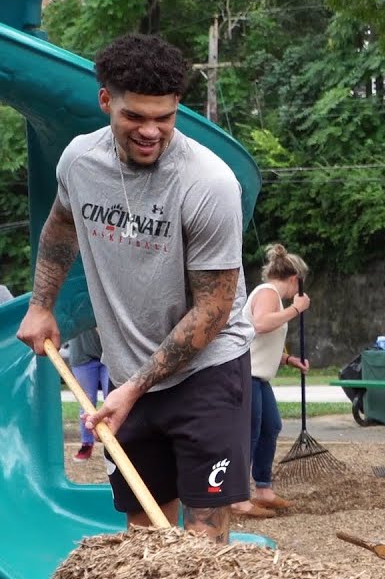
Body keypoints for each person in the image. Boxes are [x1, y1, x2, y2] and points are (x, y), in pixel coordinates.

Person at [16, 33, 253, 543]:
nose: (150, 131)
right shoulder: (80, 162)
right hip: (128, 373)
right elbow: (61, 225)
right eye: (134, 117)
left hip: (206, 370)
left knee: (203, 537)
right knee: (143, 536)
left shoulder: (208, 183)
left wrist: (133, 388)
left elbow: (214, 308)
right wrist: (41, 306)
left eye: (163, 118)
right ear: (106, 101)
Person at [232, 243, 311, 519]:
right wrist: (296, 310)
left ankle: (263, 489)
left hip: (259, 376)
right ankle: (238, 498)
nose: (297, 294)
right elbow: (261, 324)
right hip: (245, 374)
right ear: (294, 280)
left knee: (271, 426)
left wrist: (290, 360)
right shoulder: (268, 293)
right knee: (250, 434)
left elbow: (261, 340)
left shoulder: (272, 296)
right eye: (298, 287)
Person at [68, 327, 110, 462]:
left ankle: (115, 445)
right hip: (81, 356)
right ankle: (87, 444)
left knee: (111, 401)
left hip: (110, 354)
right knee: (86, 402)